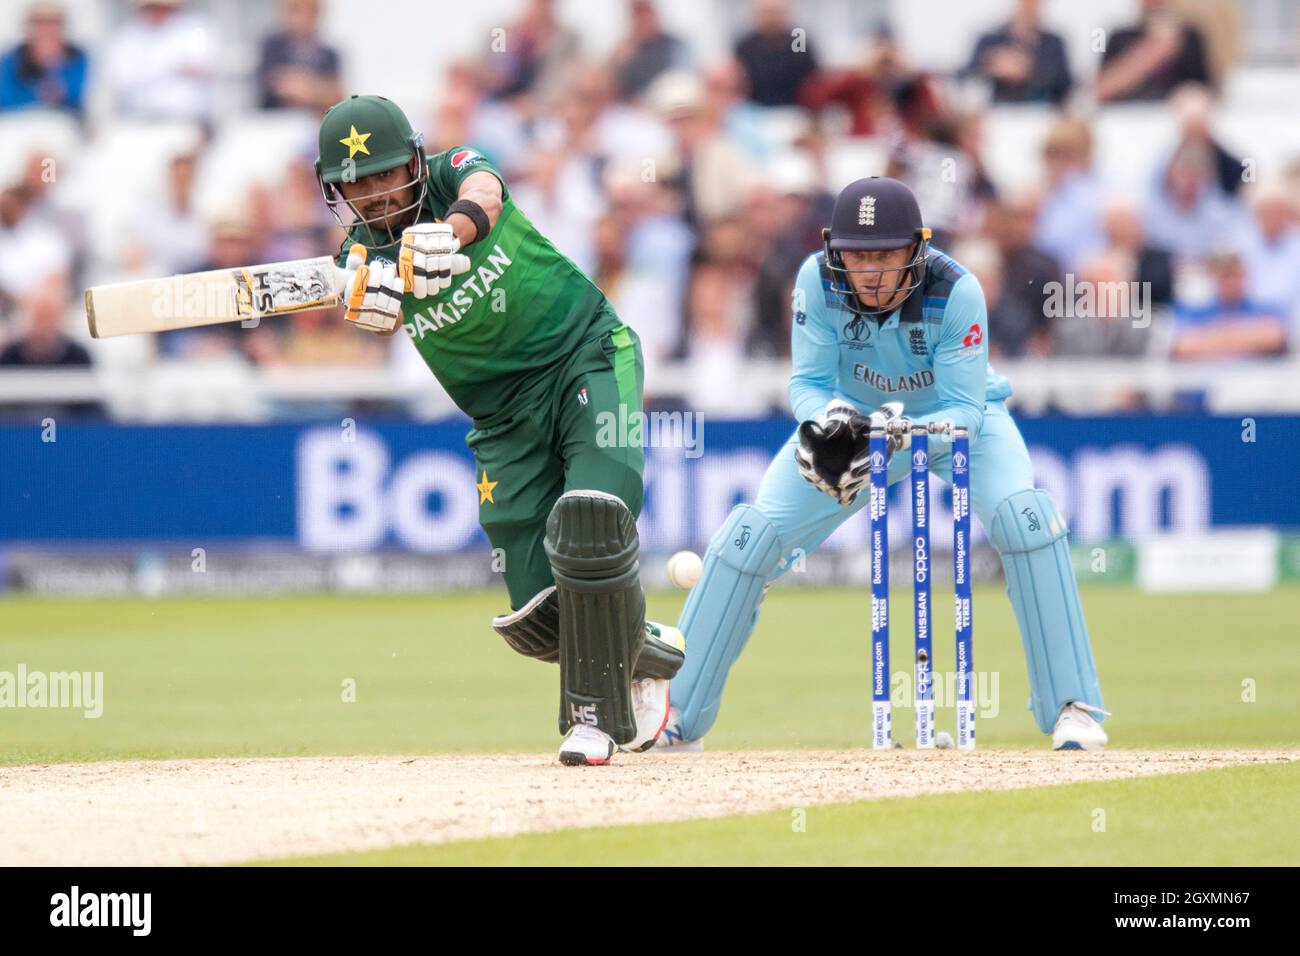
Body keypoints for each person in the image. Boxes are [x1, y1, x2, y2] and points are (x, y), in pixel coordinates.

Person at [658, 177, 1109, 752]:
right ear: (834, 248)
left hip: (953, 422)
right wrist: (833, 425)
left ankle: (1073, 707)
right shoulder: (815, 280)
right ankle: (676, 715)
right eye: (857, 255)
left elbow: (967, 407)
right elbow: (808, 384)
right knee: (747, 538)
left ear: (916, 248)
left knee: (1027, 520)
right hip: (858, 428)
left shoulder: (956, 289)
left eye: (884, 255)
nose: (869, 271)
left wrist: (904, 432)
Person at [314, 95, 684, 765]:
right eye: (356, 184)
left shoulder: (456, 171)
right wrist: (360, 301)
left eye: (385, 175)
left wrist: (450, 232)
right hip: (502, 420)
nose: (373, 195)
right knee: (538, 620)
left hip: (585, 356)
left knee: (592, 519)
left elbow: (485, 191)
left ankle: (594, 723)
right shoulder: (360, 254)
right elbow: (376, 310)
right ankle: (647, 649)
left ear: (416, 163)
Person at [0, 1, 88, 114]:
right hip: (19, 126)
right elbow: (6, 100)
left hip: (62, 126)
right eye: (40, 23)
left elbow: (83, 98)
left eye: (52, 23)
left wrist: (61, 94)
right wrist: (36, 95)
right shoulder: (12, 60)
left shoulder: (78, 59)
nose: (46, 30)